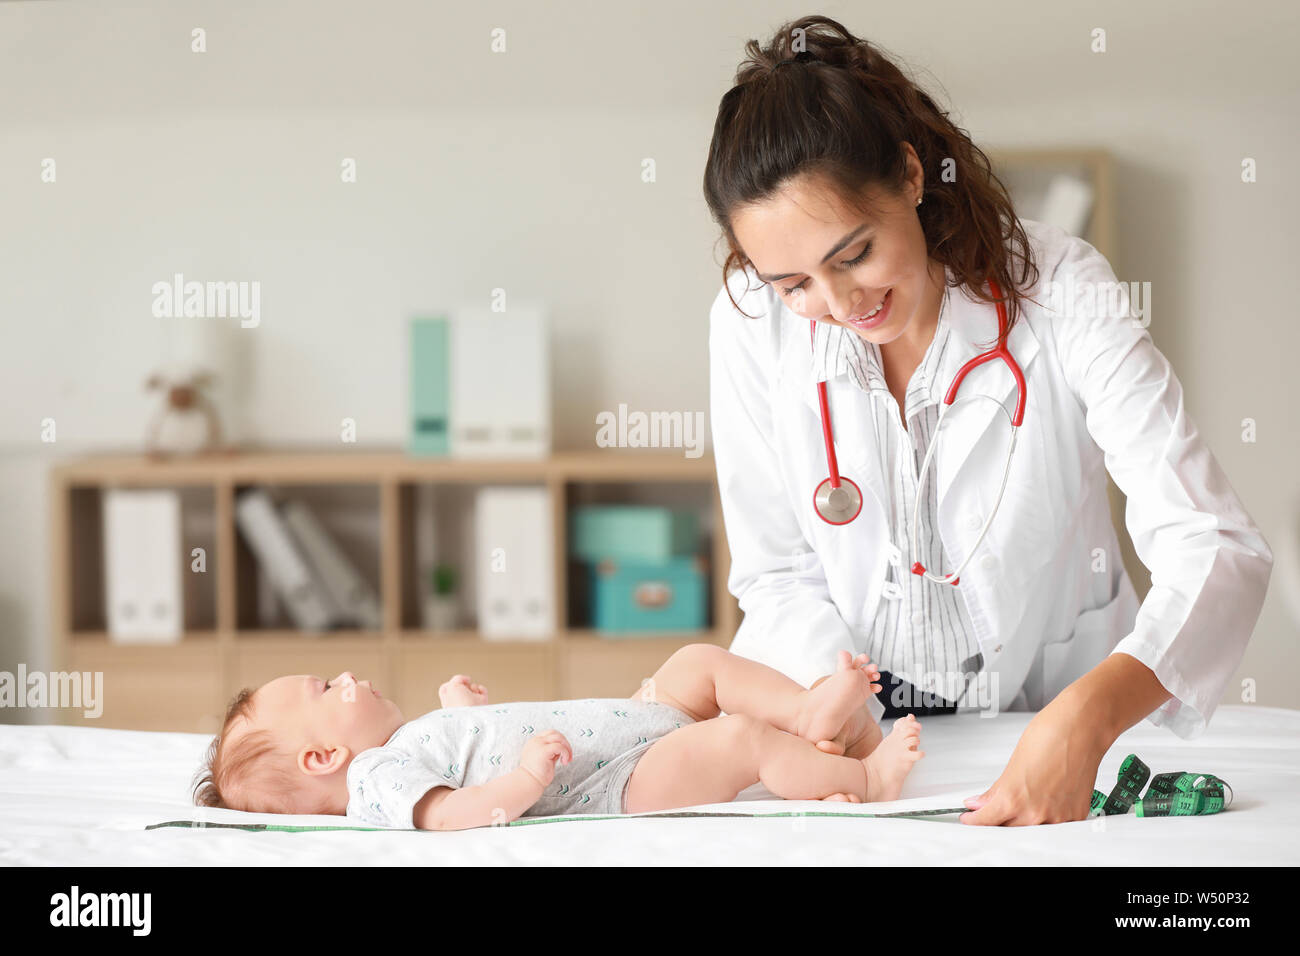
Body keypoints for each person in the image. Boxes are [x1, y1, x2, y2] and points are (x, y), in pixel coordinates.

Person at [701, 15, 1272, 825]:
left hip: (1039, 711)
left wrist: (1088, 717)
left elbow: (1213, 543)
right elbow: (777, 575)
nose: (836, 307)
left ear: (907, 174)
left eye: (854, 254)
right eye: (794, 283)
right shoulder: (749, 324)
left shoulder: (1061, 289)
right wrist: (839, 718)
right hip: (838, 735)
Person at [191, 646, 926, 830]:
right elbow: (451, 815)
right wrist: (525, 782)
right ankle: (866, 782)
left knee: (693, 666)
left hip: (629, 721)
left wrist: (458, 710)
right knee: (733, 739)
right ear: (325, 759)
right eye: (329, 690)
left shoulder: (405, 742)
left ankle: (808, 717)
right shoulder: (375, 780)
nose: (347, 677)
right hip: (619, 782)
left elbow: (464, 755)